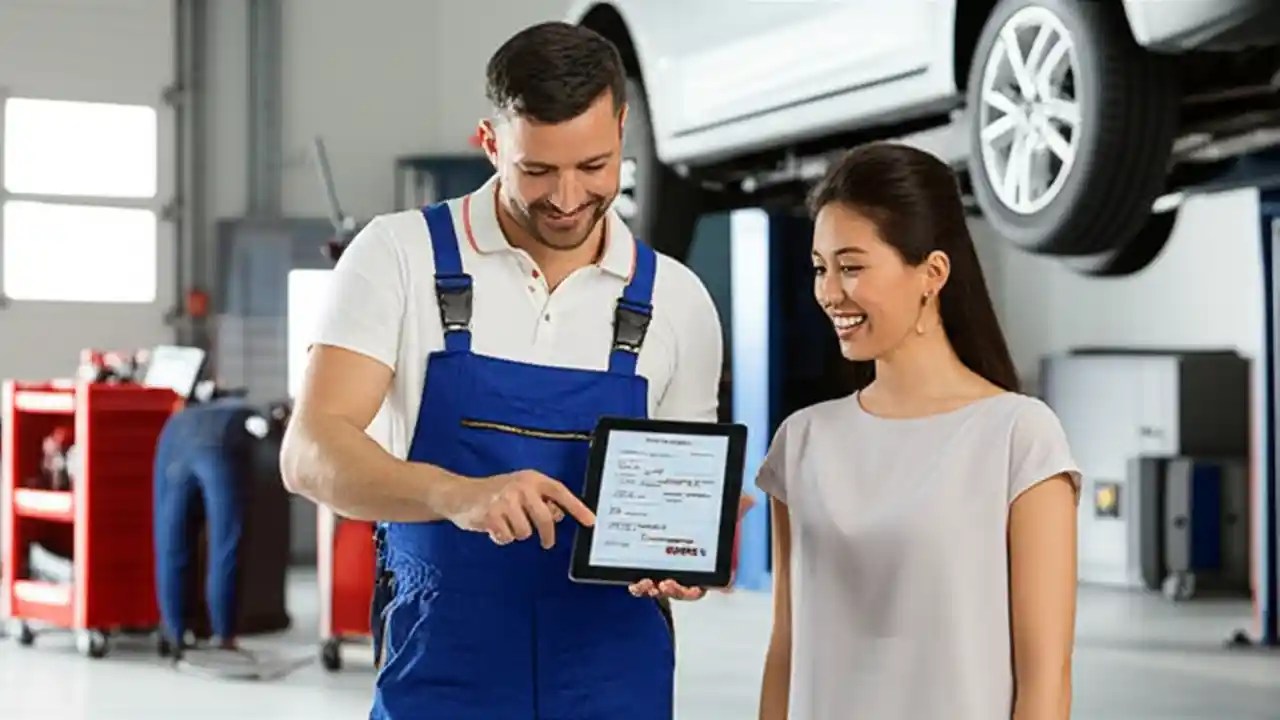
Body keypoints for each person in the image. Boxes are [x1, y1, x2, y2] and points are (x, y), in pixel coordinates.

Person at [279, 21, 729, 720]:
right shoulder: (398, 257)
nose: (569, 197)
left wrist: (693, 545)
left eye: (595, 165)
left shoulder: (678, 300)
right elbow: (310, 452)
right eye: (538, 170)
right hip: (443, 673)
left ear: (623, 127)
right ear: (490, 142)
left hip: (615, 678)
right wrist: (456, 494)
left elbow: (675, 504)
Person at [756, 142, 1081, 720]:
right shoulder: (801, 442)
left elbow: (1046, 681)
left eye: (852, 266)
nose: (829, 292)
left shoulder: (1019, 437)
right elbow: (785, 649)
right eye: (820, 267)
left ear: (931, 273)